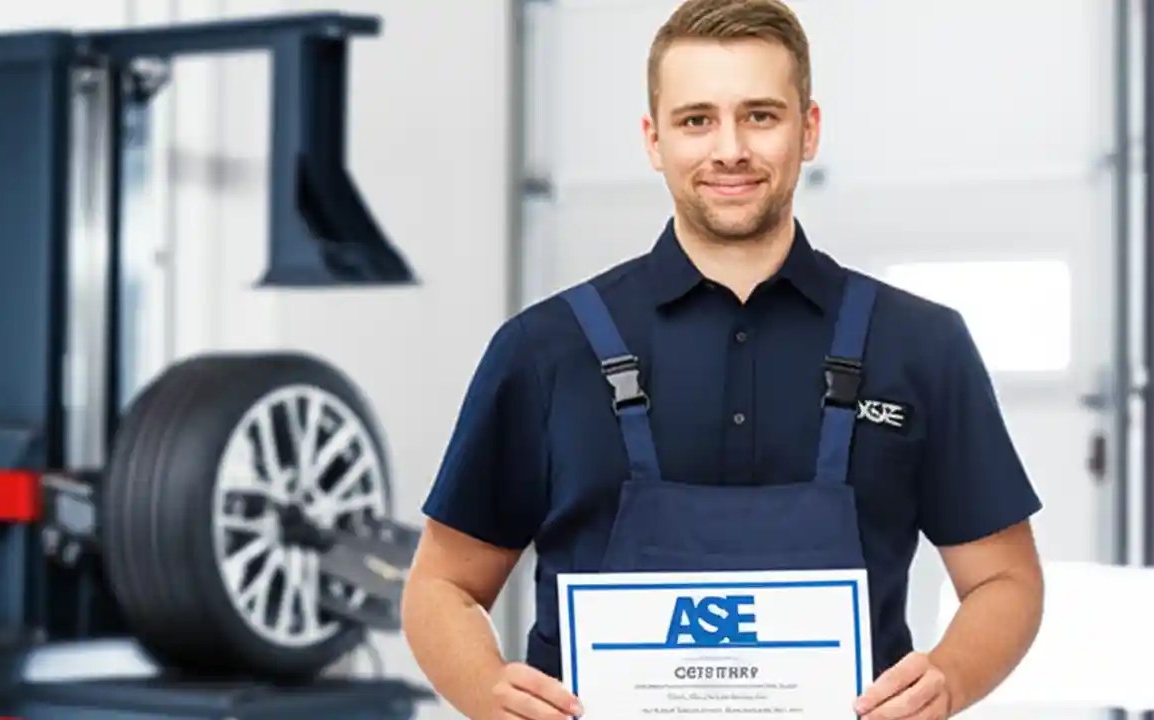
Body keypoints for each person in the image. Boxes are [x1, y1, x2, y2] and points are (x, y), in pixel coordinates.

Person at [401, 0, 1045, 717]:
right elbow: (442, 584)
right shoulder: (546, 350)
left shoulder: (919, 344)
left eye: (761, 116)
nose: (729, 149)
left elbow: (1005, 580)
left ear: (810, 130)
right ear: (653, 138)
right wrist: (486, 690)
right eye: (696, 119)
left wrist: (950, 676)